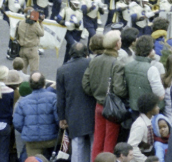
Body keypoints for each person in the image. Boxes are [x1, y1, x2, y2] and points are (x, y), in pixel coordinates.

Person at [83, 31, 123, 160]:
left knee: (98, 139)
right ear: (117, 44)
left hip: (98, 104)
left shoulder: (94, 61)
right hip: (111, 107)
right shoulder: (117, 64)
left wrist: (95, 94)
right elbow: (119, 89)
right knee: (109, 140)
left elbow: (86, 84)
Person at [56, 42, 96, 162]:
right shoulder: (92, 64)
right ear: (86, 53)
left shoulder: (62, 70)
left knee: (78, 144)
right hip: (93, 108)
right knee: (94, 142)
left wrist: (62, 117)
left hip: (73, 111)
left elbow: (61, 96)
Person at [13, 72, 60, 159]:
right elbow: (58, 119)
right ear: (43, 83)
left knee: (34, 159)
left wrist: (27, 130)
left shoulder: (22, 102)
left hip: (32, 140)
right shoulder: (54, 97)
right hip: (52, 138)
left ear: (30, 85)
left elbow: (17, 123)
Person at [127, 93, 161, 162]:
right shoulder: (140, 125)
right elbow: (132, 146)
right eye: (156, 106)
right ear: (149, 109)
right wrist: (145, 160)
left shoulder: (152, 120)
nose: (158, 108)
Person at [16, 10, 44, 74]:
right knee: (34, 70)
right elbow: (41, 33)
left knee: (22, 70)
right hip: (32, 49)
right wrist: (40, 23)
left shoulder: (20, 23)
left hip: (22, 49)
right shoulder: (35, 25)